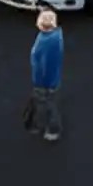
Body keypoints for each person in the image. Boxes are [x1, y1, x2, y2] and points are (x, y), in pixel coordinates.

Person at [26, 9, 64, 141]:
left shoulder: (44, 42)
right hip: (54, 80)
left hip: (44, 83)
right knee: (48, 104)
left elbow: (42, 66)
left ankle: (53, 129)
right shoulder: (57, 36)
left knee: (48, 105)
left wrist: (42, 84)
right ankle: (38, 124)